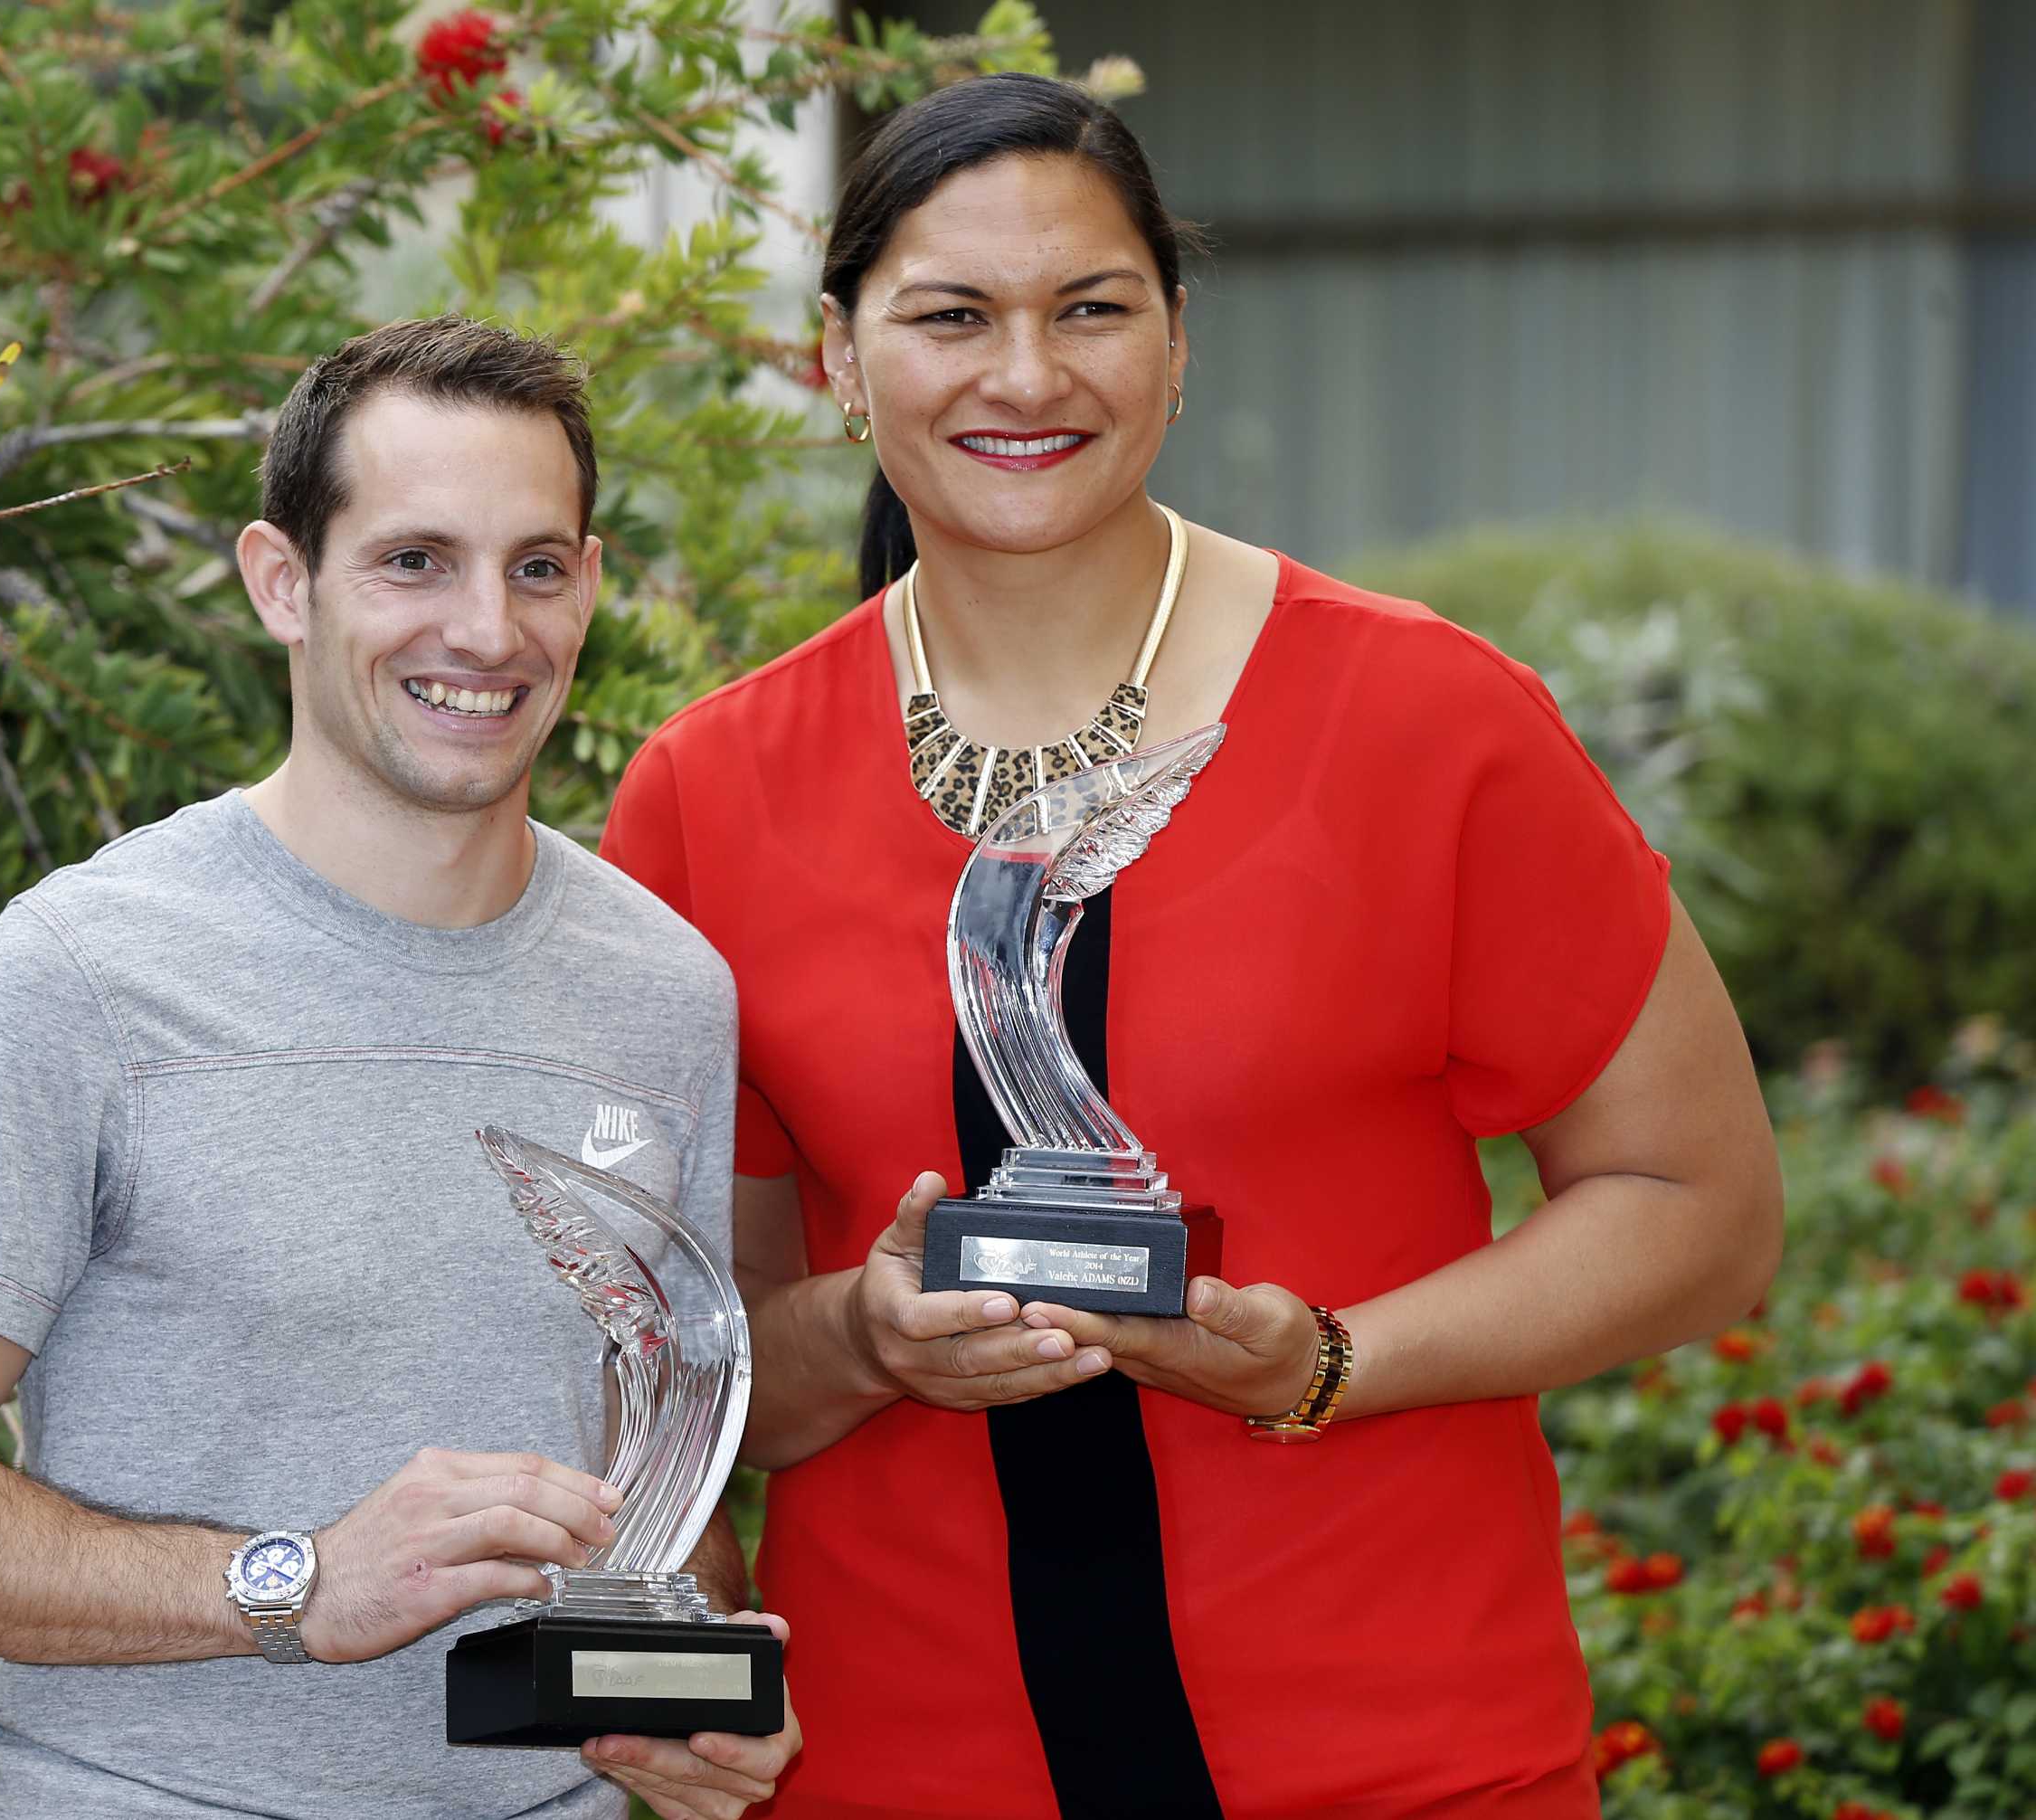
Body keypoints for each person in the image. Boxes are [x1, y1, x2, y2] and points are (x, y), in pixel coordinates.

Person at [600, 74, 1782, 1820]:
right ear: (839, 360)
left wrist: (1326, 1363)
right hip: (899, 1768)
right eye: (950, 318)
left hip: (1399, 1756)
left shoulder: (1426, 719)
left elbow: (1706, 1217)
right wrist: (864, 1335)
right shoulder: (710, 791)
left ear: (1176, 345)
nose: (1026, 374)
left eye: (1093, 309)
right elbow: (686, 1356)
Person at [0, 315, 801, 1820]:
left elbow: (650, 1484)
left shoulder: (664, 994)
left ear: (591, 586)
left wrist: (697, 1694)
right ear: (279, 582)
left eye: (538, 566)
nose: (487, 632)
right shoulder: (91, 974)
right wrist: (293, 1584)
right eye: (413, 561)